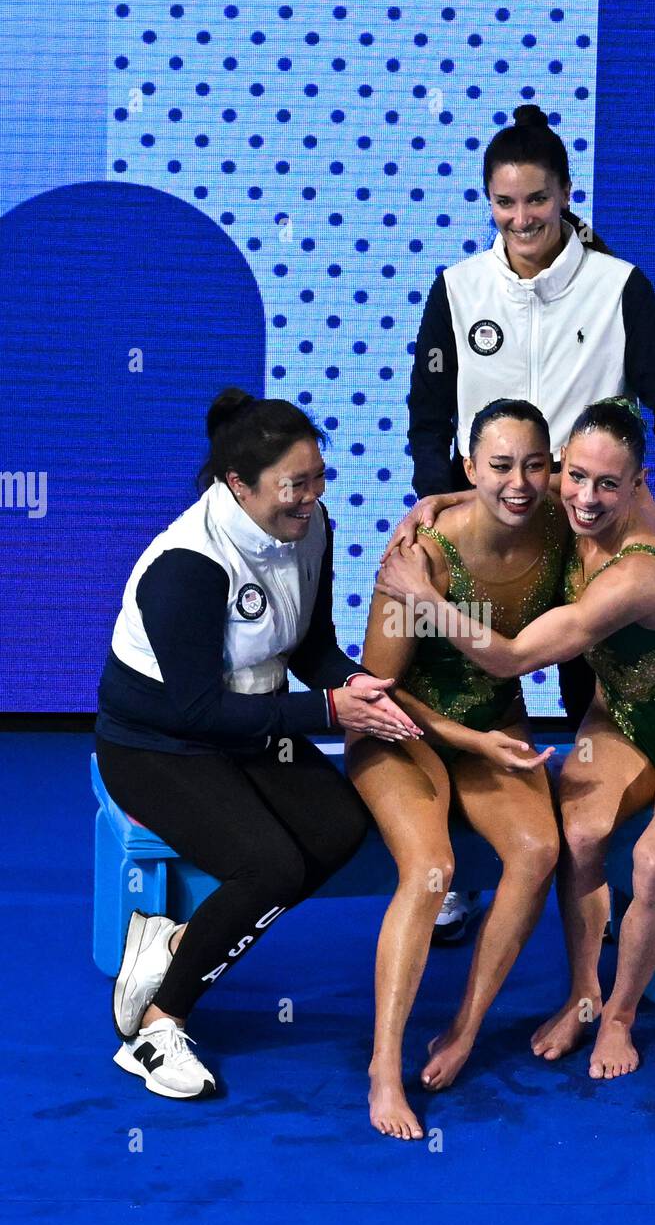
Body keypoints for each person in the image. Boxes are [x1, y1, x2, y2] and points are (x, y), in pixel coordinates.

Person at [377, 397, 655, 1080]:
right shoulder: (564, 489)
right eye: (573, 476)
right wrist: (435, 499)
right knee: (577, 837)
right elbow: (507, 484)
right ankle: (583, 994)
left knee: (653, 864)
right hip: (619, 721)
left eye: (608, 484)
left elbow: (512, 657)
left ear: (638, 484)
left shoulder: (636, 569)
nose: (584, 496)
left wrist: (423, 598)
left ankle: (618, 1017)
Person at [404, 102, 655, 939]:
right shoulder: (459, 290)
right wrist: (442, 497)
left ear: (566, 196)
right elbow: (427, 412)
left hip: (589, 534)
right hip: (485, 528)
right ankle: (451, 870)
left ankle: (602, 867)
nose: (521, 219)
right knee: (460, 687)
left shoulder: (618, 287)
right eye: (504, 203)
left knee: (598, 698)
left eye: (536, 200)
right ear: (487, 203)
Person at [95, 388, 422, 1099]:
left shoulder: (313, 528)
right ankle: (158, 1027)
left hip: (248, 724)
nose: (310, 497)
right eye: (293, 485)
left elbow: (309, 646)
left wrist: (360, 687)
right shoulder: (188, 565)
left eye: (317, 478)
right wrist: (331, 712)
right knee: (268, 866)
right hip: (156, 742)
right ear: (236, 484)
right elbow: (196, 709)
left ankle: (174, 943)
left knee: (337, 831)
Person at [345, 399, 568, 1139]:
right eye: (499, 466)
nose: (518, 482)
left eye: (534, 465)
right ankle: (384, 1066)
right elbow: (375, 690)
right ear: (469, 468)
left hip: (492, 728)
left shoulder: (562, 530)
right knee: (432, 868)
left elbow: (630, 504)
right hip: (400, 729)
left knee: (538, 850)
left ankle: (466, 1028)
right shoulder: (422, 556)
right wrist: (467, 743)